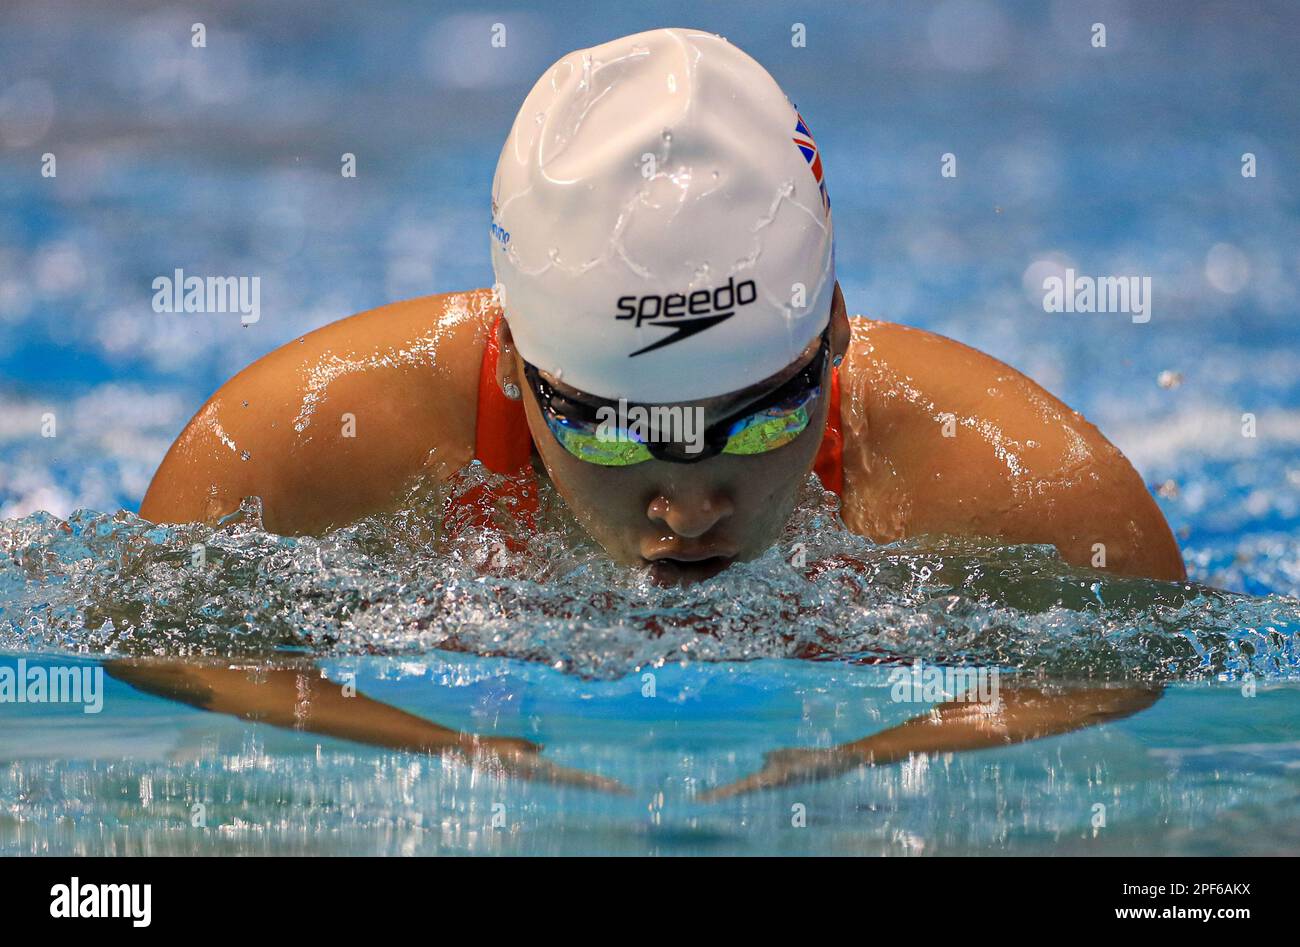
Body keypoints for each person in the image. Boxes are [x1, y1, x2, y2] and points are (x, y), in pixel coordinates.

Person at [121, 28, 1178, 795]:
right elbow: (152, 636)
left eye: (757, 422)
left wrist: (867, 765)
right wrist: (450, 752)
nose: (684, 509)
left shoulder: (1013, 475)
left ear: (836, 335)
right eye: (610, 431)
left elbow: (1135, 663)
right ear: (508, 363)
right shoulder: (302, 442)